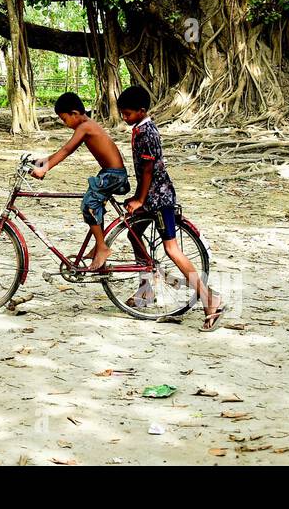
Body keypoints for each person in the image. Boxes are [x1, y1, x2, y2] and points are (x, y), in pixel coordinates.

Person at [117, 84, 223, 330]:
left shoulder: (148, 132)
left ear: (142, 111)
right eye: (122, 113)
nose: (124, 118)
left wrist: (140, 199)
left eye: (128, 114)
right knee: (134, 236)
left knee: (172, 249)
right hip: (149, 197)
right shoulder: (139, 129)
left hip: (159, 198)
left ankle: (210, 299)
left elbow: (148, 170)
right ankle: (146, 290)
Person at [30, 92, 129, 274]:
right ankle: (98, 246)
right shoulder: (87, 126)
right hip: (110, 174)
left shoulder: (85, 127)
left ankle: (102, 247)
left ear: (75, 113)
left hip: (114, 175)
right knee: (94, 204)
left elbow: (67, 149)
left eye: (64, 118)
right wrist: (41, 162)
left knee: (89, 204)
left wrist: (45, 168)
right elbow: (63, 150)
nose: (63, 122)